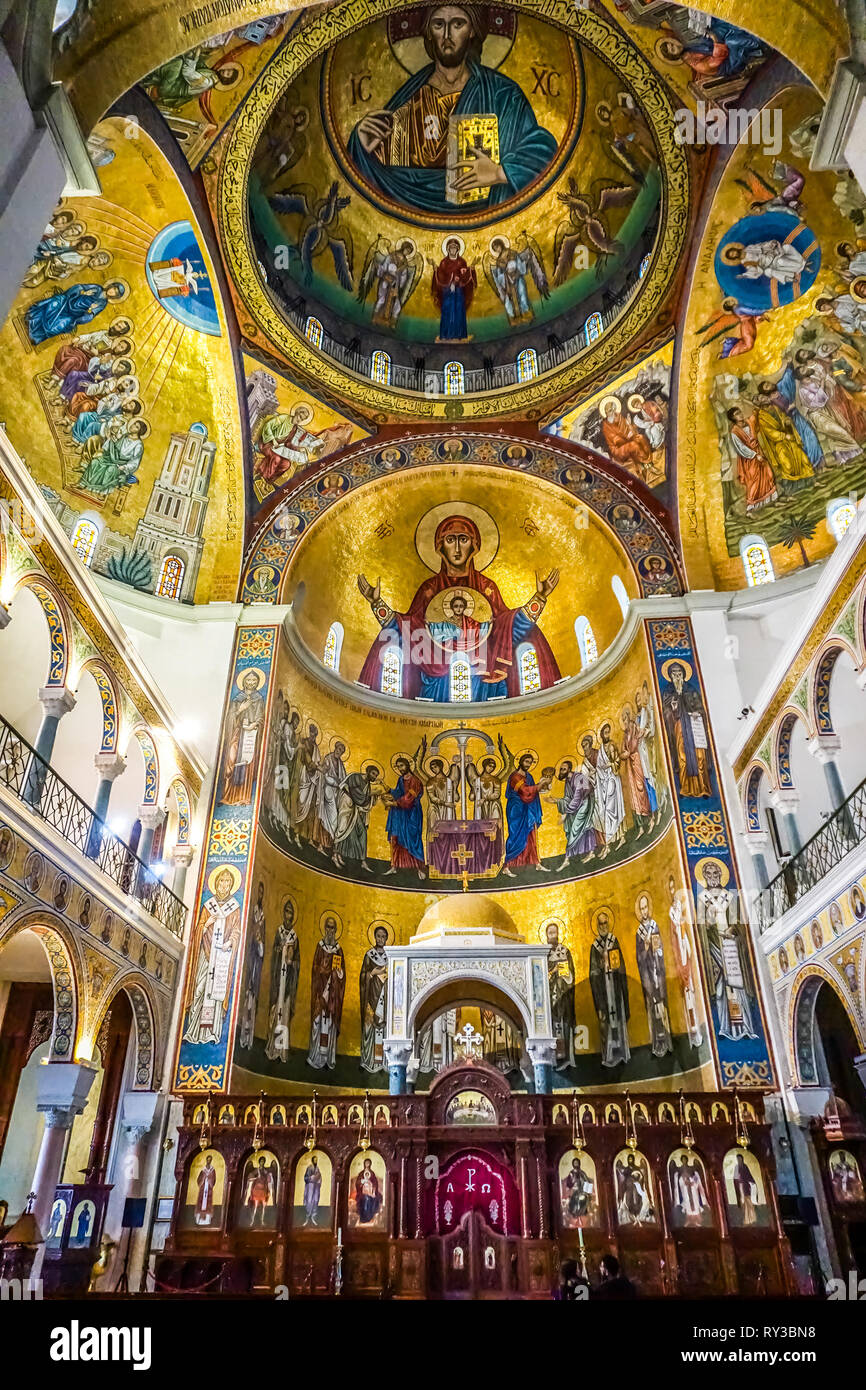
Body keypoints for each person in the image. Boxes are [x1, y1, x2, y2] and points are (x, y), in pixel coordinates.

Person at [347, 4, 557, 215]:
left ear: (472, 30)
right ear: (429, 32)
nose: (447, 35)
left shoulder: (503, 94)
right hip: (409, 221)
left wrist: (499, 173)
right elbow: (372, 179)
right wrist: (361, 144)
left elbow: (542, 151)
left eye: (458, 24)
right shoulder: (409, 98)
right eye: (439, 24)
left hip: (483, 222)